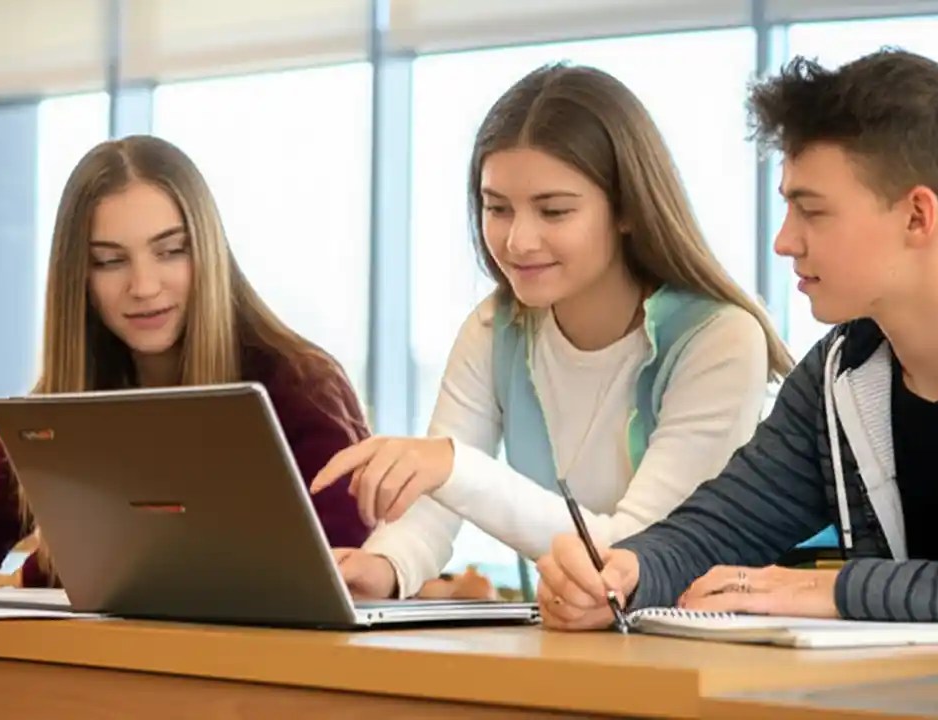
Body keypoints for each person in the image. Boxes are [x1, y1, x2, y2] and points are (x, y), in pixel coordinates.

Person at [536, 48, 938, 640]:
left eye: (812, 211)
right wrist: (624, 572)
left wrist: (842, 592)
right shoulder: (844, 369)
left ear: (918, 216)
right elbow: (718, 528)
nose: (784, 240)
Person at [312, 63, 796, 600]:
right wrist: (384, 563)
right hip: (568, 640)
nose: (518, 240)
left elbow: (634, 553)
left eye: (554, 211)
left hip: (694, 649)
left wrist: (454, 467)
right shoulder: (496, 329)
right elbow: (432, 512)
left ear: (627, 210)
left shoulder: (719, 339)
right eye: (497, 208)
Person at [0, 135, 370, 589]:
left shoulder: (301, 384)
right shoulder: (63, 399)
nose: (144, 286)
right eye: (109, 261)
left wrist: (58, 564)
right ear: (79, 278)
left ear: (206, 251)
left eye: (170, 251)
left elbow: (342, 564)